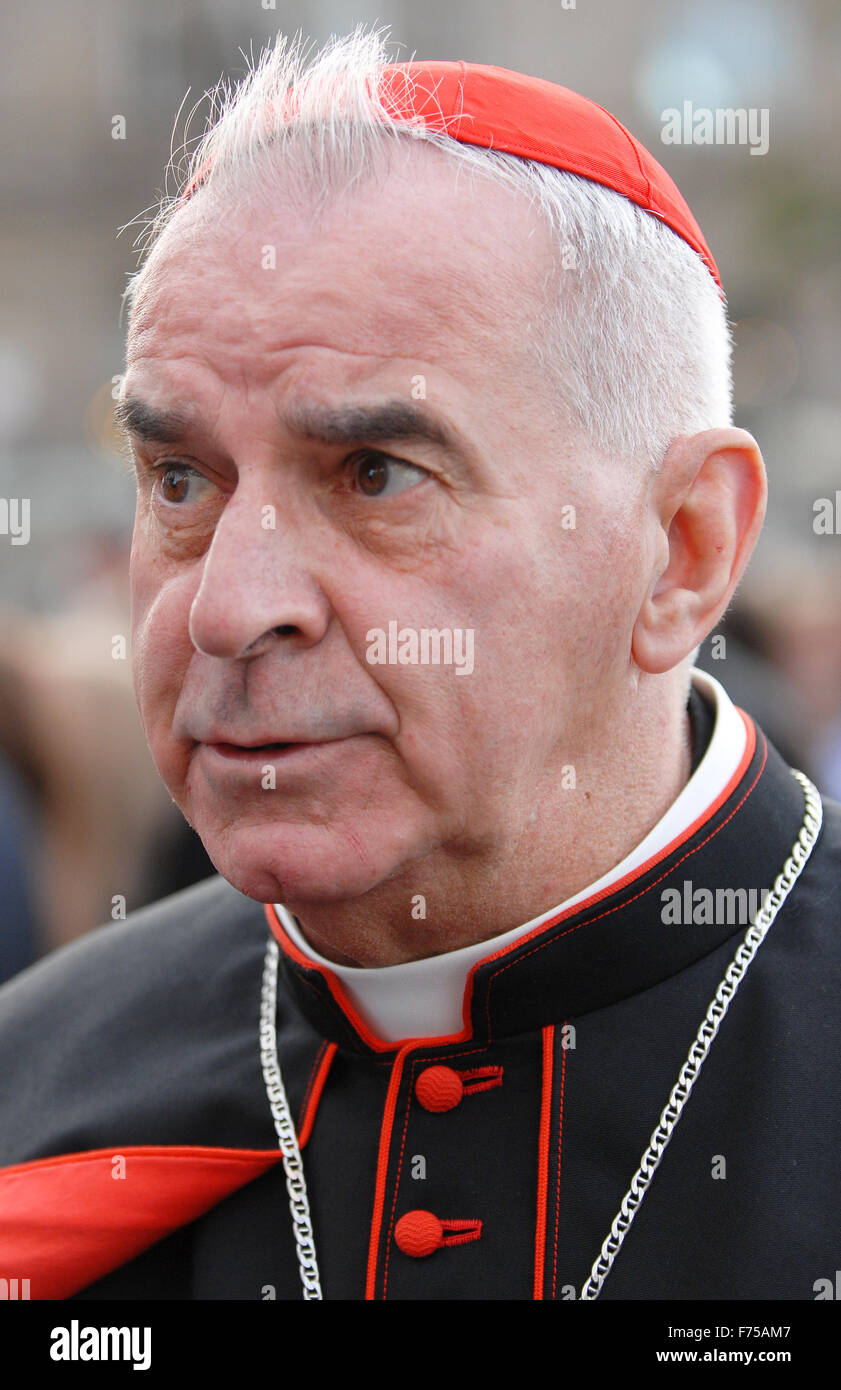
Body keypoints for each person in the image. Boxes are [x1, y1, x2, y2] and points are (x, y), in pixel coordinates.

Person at [0, 29, 838, 1303]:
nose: (229, 607)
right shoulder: (36, 1083)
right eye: (180, 480)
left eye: (374, 474)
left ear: (682, 550)